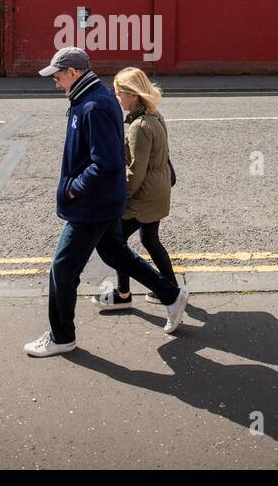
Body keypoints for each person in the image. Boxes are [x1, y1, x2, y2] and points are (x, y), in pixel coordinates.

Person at [24, 47, 188, 357]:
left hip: (92, 204)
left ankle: (61, 336)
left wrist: (74, 188)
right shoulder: (91, 98)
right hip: (105, 200)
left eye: (58, 76)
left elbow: (107, 163)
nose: (56, 83)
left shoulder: (94, 105)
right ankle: (172, 294)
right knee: (117, 253)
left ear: (73, 73)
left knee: (62, 268)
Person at [92, 67, 177, 310]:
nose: (117, 98)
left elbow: (134, 172)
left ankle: (123, 294)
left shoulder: (138, 126)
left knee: (116, 244)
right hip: (158, 191)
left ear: (133, 94)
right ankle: (171, 289)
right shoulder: (155, 114)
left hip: (144, 197)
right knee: (150, 239)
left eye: (119, 93)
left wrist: (117, 198)